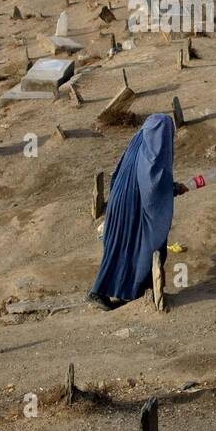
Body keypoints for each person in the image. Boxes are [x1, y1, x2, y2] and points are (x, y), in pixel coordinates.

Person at [87, 114, 186, 310]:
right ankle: (104, 291)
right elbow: (152, 186)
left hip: (121, 202)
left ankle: (124, 292)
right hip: (131, 207)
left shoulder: (138, 144)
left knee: (121, 248)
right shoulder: (151, 151)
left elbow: (125, 174)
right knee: (141, 246)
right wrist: (173, 189)